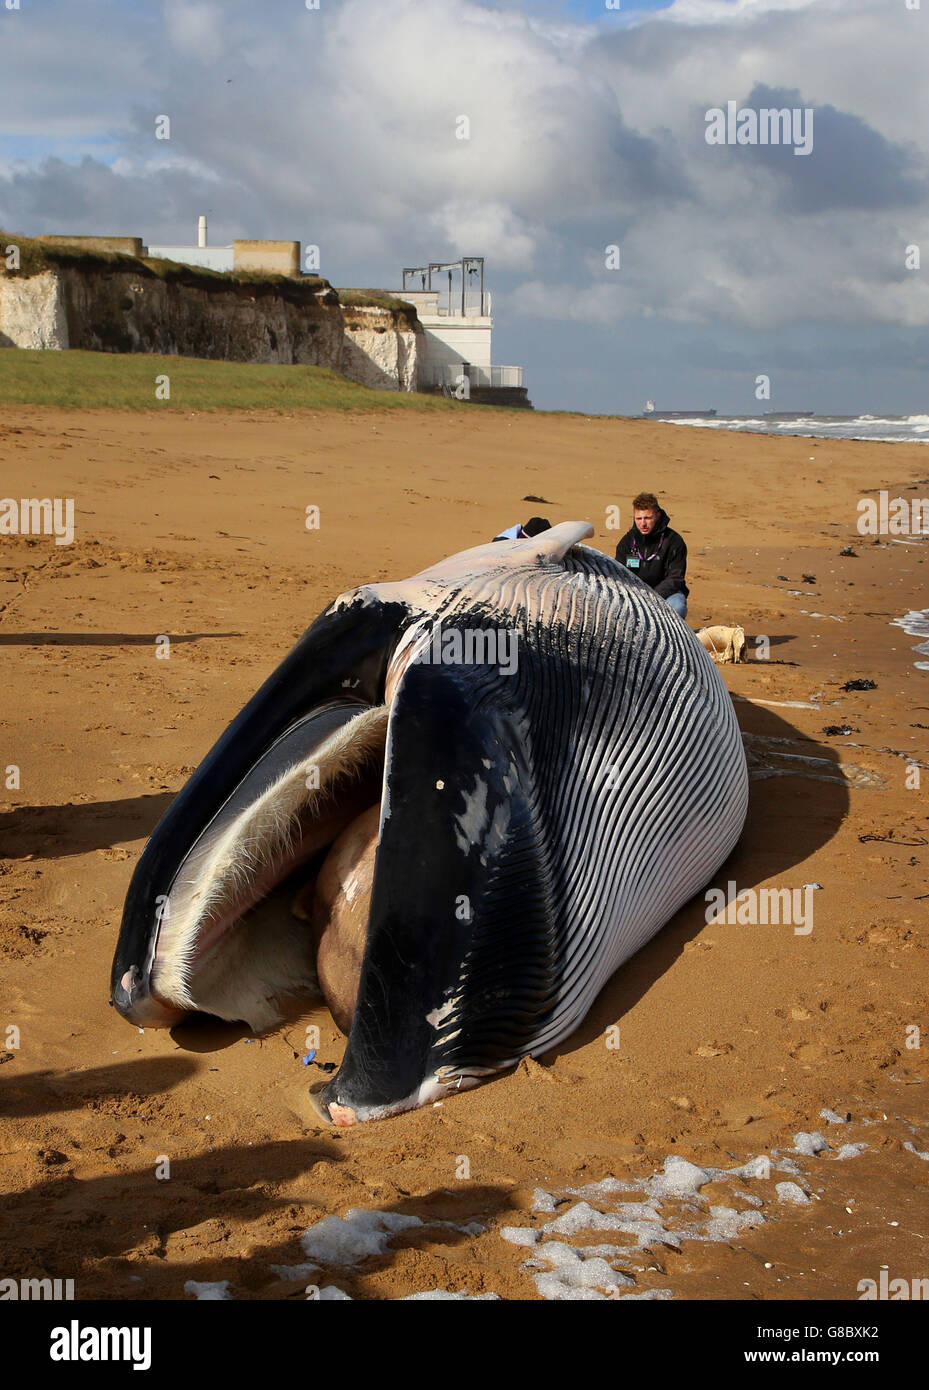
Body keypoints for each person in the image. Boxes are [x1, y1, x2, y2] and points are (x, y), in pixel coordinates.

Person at [615, 492, 689, 618]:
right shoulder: (627, 542)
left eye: (648, 518)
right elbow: (618, 574)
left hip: (665, 595)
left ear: (658, 516)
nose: (643, 524)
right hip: (635, 595)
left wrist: (652, 597)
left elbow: (676, 578)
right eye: (639, 519)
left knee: (678, 606)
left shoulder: (674, 541)